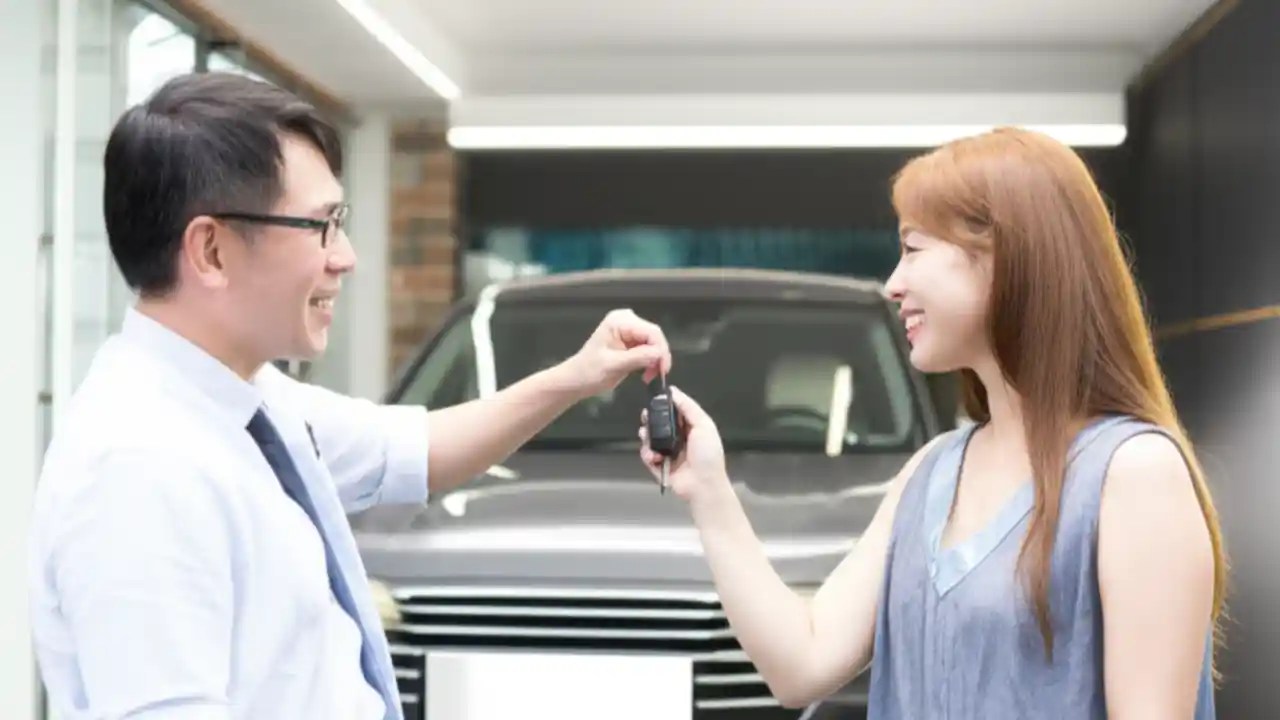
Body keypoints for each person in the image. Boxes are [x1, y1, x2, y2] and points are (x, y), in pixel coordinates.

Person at [28, 72, 671, 720]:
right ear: (211, 250)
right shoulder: (139, 467)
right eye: (321, 226)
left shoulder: (248, 400)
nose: (347, 258)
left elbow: (417, 450)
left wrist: (580, 375)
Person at [640, 127, 1227, 718]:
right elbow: (802, 663)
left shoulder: (1134, 475)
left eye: (913, 249)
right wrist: (708, 490)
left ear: (1008, 256)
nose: (893, 284)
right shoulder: (932, 471)